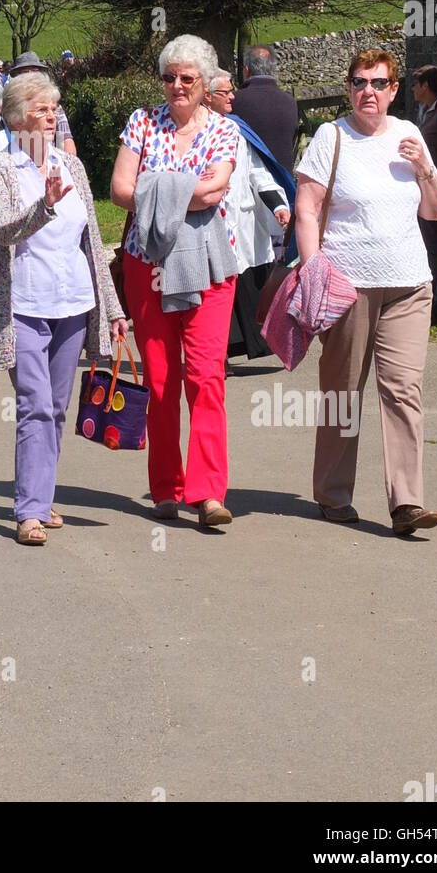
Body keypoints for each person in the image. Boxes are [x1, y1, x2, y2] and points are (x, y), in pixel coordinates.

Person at [294, 49, 437, 534]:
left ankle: (407, 502)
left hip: (408, 285)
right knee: (343, 392)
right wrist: (312, 266)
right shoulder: (330, 136)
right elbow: (306, 208)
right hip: (349, 287)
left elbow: (436, 210)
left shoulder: (409, 134)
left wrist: (424, 165)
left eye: (379, 84)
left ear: (393, 90)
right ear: (349, 88)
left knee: (404, 391)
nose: (369, 92)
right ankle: (334, 493)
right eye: (360, 82)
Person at [0, 73, 127, 544]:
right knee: (35, 405)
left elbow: (91, 244)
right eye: (42, 110)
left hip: (74, 302)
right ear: (18, 117)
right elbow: (2, 228)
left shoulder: (72, 166)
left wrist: (115, 308)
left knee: (58, 407)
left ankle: (40, 497)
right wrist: (43, 205)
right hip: (23, 303)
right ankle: (28, 512)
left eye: (53, 109)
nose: (51, 117)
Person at [110, 35, 239, 529]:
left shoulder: (225, 131)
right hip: (149, 266)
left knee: (206, 378)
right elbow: (121, 190)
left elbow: (215, 191)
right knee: (162, 381)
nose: (177, 86)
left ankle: (208, 493)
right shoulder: (142, 122)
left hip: (207, 267)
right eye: (170, 77)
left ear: (206, 84)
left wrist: (157, 185)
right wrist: (184, 187)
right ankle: (166, 487)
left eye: (188, 78)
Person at [207, 69, 292, 362]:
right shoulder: (192, 132)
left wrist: (278, 205)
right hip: (208, 224)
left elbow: (257, 171)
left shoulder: (237, 130)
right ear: (207, 96)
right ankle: (216, 357)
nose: (233, 96)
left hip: (241, 222)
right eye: (226, 92)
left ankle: (245, 346)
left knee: (245, 285)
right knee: (214, 291)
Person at [412, 64, 437, 317]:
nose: (413, 88)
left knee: (435, 242)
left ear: (426, 86)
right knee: (425, 240)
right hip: (420, 187)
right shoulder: (423, 110)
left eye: (416, 83)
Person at [230, 44, 299, 173]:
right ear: (273, 69)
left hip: (249, 185)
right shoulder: (290, 102)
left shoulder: (233, 101)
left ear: (246, 71)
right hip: (283, 184)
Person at [8, 52, 77, 155]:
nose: (31, 76)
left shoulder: (53, 106)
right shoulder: (8, 107)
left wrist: (68, 164)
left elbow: (64, 138)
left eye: (35, 72)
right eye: (25, 72)